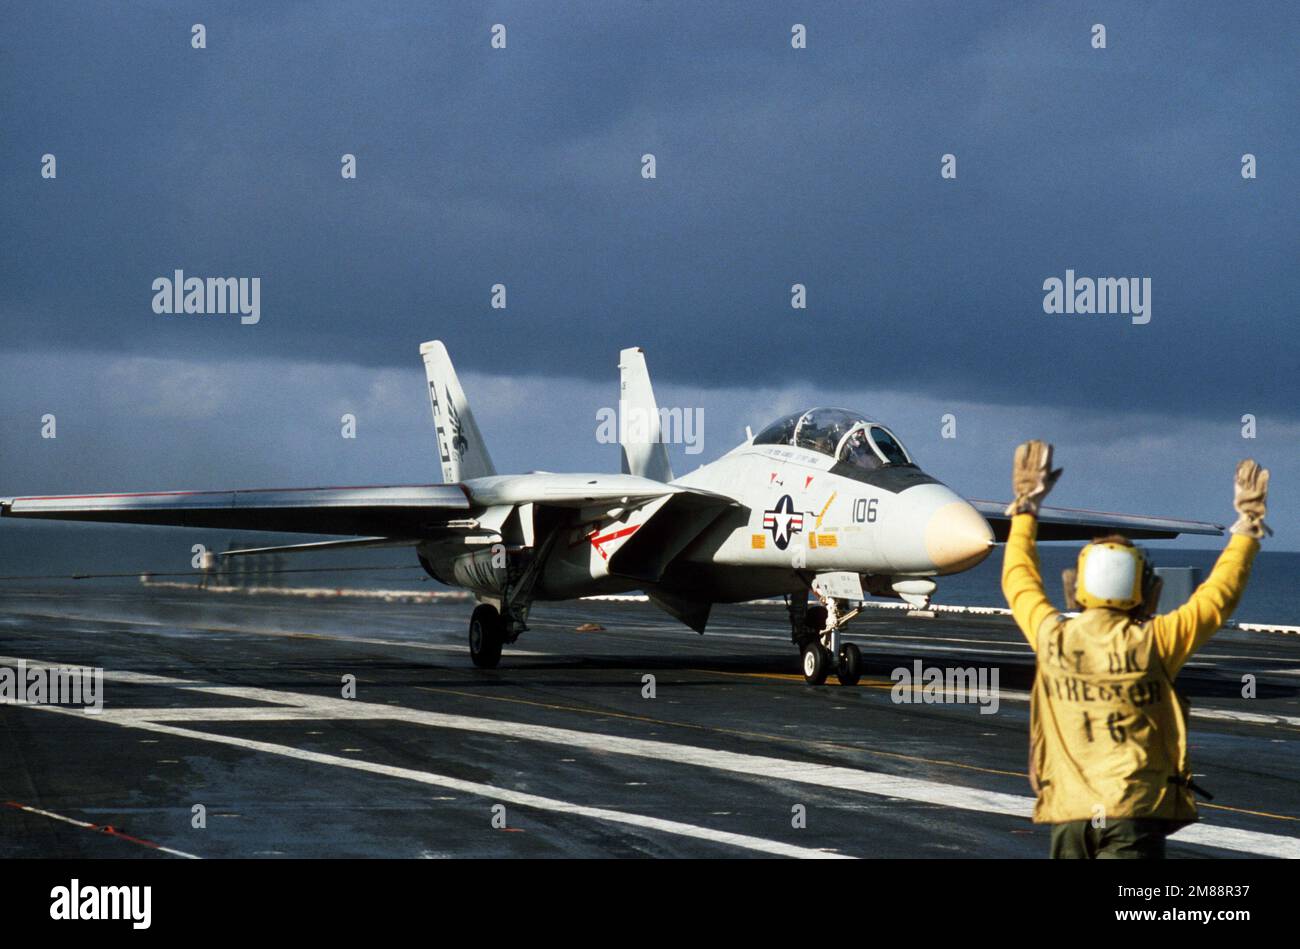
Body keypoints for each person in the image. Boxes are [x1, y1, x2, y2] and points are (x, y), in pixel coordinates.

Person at [1000, 440, 1270, 858]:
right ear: (1142, 588)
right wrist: (1247, 527)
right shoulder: (1157, 642)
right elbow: (1218, 596)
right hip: (1132, 815)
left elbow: (1017, 577)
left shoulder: (1051, 636)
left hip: (1070, 813)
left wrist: (1025, 507)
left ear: (1080, 583)